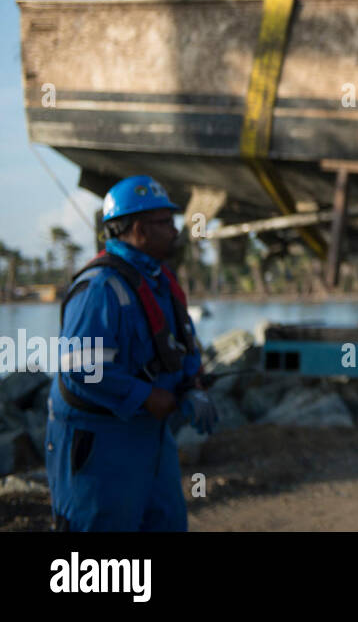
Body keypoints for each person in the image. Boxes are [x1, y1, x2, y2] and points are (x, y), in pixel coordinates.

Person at [46, 174, 217, 531]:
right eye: (165, 223)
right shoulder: (99, 288)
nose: (175, 231)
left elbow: (180, 344)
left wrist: (193, 385)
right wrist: (146, 396)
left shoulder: (158, 282)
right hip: (101, 442)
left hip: (149, 436)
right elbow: (80, 369)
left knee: (165, 523)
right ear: (138, 229)